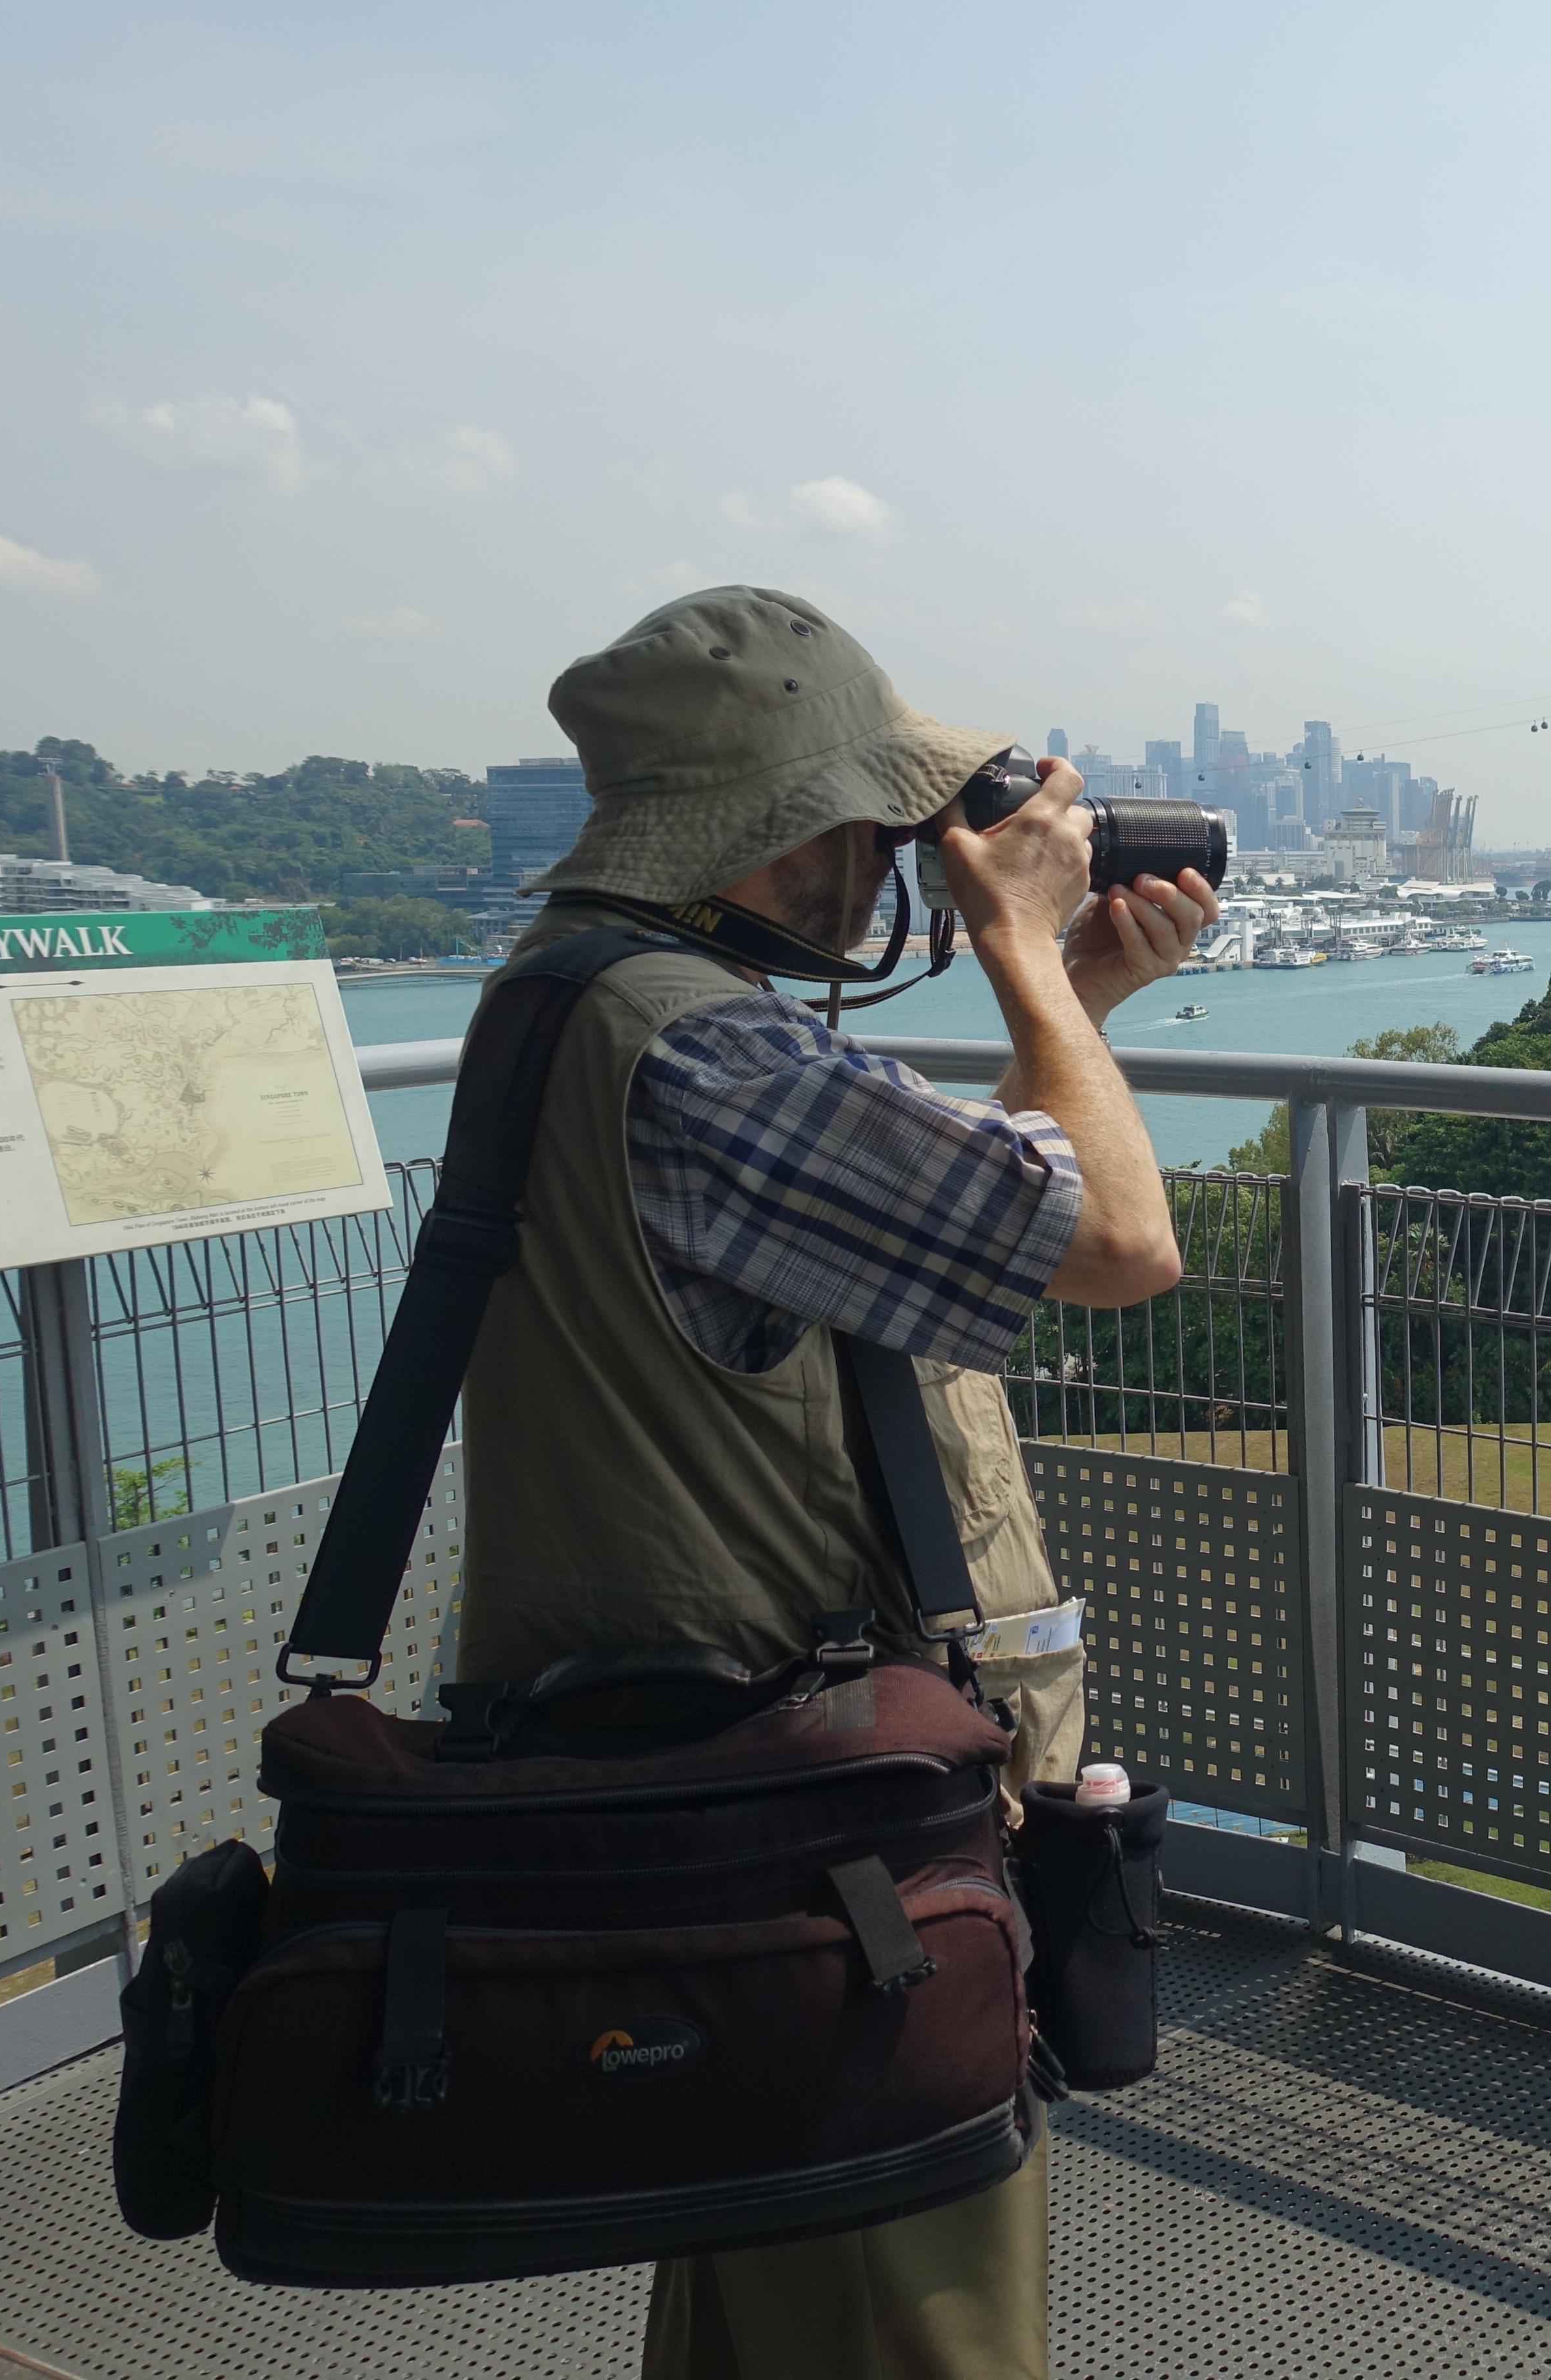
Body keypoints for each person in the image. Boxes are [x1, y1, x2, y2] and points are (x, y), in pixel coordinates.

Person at [453, 585, 1216, 2380]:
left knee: (766, 2294)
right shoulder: (700, 1046)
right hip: (821, 1842)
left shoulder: (576, 1000)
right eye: (875, 826)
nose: (896, 865)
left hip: (715, 1794)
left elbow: (895, 1218)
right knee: (908, 2308)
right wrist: (1025, 953)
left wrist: (1077, 992)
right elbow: (1113, 1237)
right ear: (784, 836)